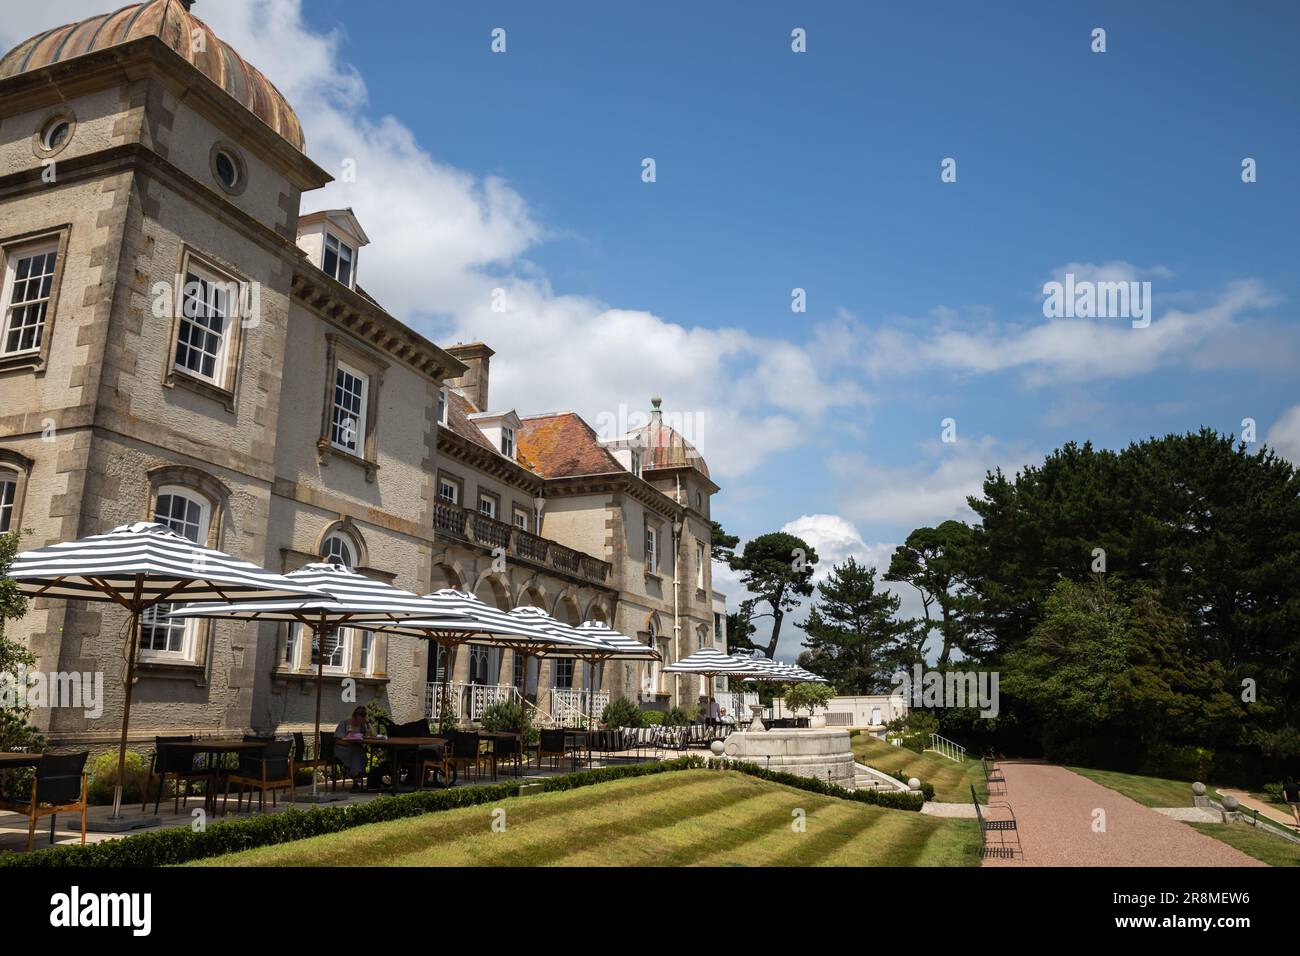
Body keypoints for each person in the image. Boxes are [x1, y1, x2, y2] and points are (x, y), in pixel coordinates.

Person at [333, 706, 373, 792]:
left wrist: (368, 723)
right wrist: (349, 742)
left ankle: (355, 777)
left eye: (361, 721)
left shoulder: (362, 725)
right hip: (342, 748)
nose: (359, 723)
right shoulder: (344, 723)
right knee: (358, 752)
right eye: (358, 720)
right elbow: (338, 741)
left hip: (355, 749)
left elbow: (373, 735)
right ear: (354, 717)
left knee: (359, 752)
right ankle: (356, 776)